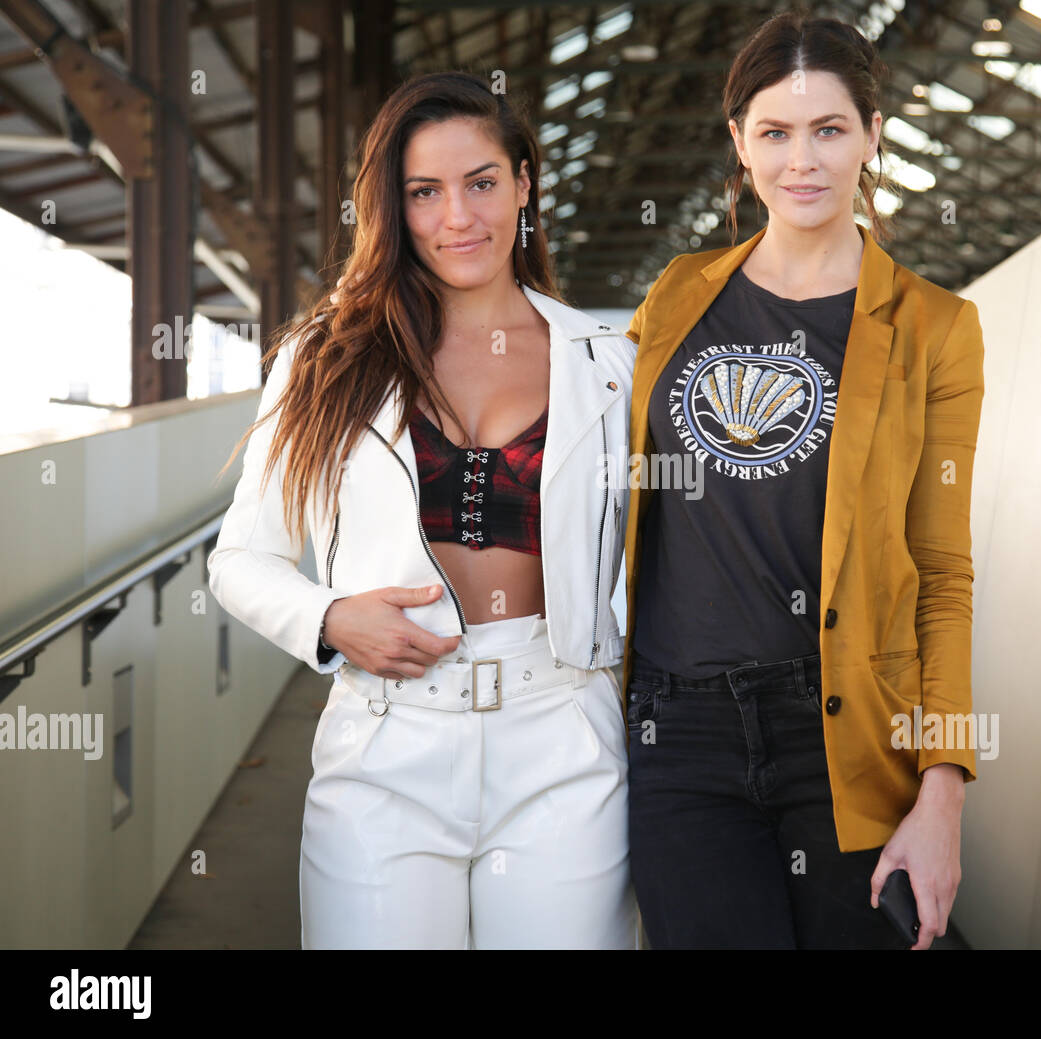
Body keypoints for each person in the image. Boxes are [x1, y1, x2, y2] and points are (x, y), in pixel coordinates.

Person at [207, 72, 637, 950]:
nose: (458, 217)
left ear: (523, 184)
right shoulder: (326, 357)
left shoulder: (607, 361)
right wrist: (327, 616)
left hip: (561, 742)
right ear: (392, 209)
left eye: (481, 182)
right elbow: (238, 560)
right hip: (385, 747)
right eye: (424, 193)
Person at [620, 11, 985, 949]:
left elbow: (941, 572)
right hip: (679, 726)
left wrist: (944, 787)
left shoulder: (935, 327)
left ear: (872, 135)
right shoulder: (676, 296)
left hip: (845, 730)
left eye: (829, 129)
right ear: (738, 143)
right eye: (775, 133)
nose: (803, 161)